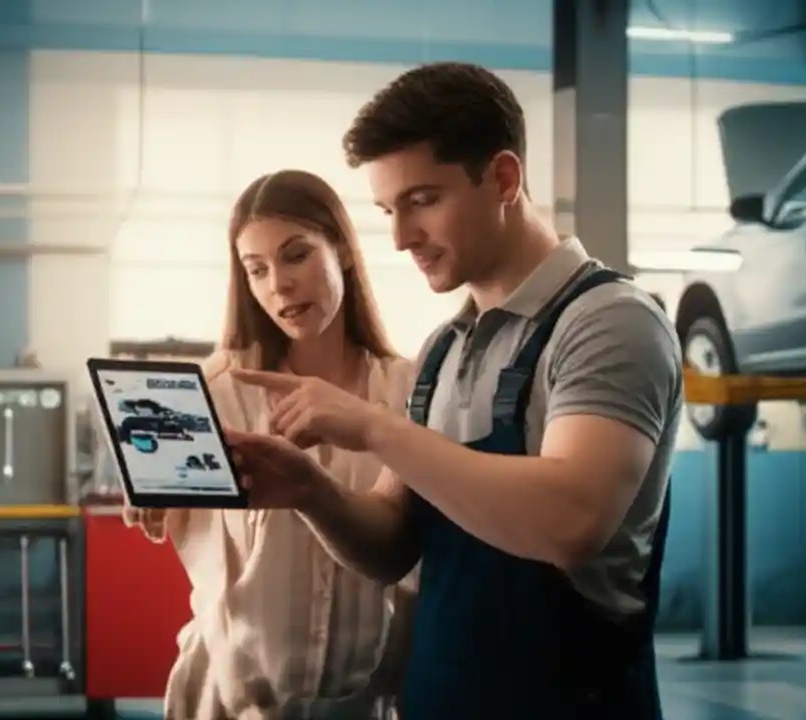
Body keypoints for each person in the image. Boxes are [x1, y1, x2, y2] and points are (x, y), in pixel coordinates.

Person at [226, 62, 683, 719]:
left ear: (502, 178)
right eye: (389, 209)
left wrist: (376, 428)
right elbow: (392, 543)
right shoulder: (445, 349)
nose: (401, 237)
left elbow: (570, 521)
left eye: (423, 200)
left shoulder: (609, 322)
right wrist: (308, 490)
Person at [122, 169, 419, 720]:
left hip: (368, 704)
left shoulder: (408, 391)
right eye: (256, 269)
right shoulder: (211, 394)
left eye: (296, 255)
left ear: (344, 252)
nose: (278, 285)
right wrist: (151, 494)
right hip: (234, 703)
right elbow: (174, 514)